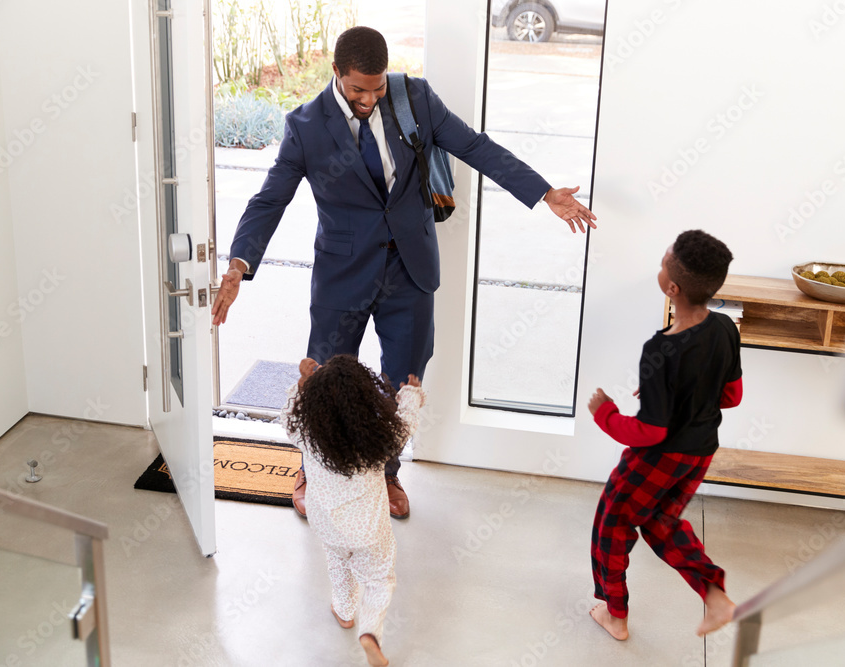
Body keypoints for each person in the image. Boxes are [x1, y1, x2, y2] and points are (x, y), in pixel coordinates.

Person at [211, 26, 597, 519]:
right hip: (342, 274)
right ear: (336, 73)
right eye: (358, 89)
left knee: (404, 379)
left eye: (376, 87)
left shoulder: (414, 98)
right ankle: (314, 467)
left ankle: (386, 472)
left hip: (409, 270)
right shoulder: (305, 125)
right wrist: (238, 265)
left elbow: (476, 148)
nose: (369, 98)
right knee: (326, 381)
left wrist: (544, 194)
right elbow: (270, 200)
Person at [585, 230, 742, 641]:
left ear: (671, 287)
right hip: (700, 453)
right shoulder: (726, 328)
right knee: (660, 521)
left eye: (662, 264)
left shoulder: (660, 350)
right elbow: (732, 394)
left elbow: (649, 432)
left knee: (612, 525)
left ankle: (614, 614)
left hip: (659, 458)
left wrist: (606, 413)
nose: (658, 268)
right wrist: (673, 394)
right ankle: (714, 593)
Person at [280, 355, 425, 667]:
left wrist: (302, 384)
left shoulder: (307, 437)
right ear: (366, 396)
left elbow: (287, 417)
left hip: (325, 523)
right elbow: (407, 421)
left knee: (338, 561)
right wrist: (411, 394)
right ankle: (369, 632)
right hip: (369, 530)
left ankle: (345, 611)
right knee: (379, 579)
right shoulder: (379, 441)